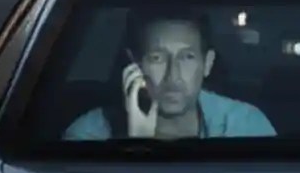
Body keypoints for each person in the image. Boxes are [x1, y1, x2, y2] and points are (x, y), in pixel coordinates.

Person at [64, 8, 276, 140]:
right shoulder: (89, 135)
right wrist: (137, 146)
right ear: (134, 64)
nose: (173, 76)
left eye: (187, 57)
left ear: (208, 64)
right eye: (157, 58)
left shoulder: (246, 128)